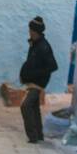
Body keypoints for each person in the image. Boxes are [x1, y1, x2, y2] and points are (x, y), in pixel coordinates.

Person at [18, 15, 57, 143]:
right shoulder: (35, 44)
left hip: (37, 83)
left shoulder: (43, 47)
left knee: (25, 106)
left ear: (37, 32)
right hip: (32, 82)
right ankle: (39, 135)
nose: (30, 33)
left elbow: (52, 66)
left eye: (31, 31)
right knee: (34, 108)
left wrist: (34, 74)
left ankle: (33, 137)